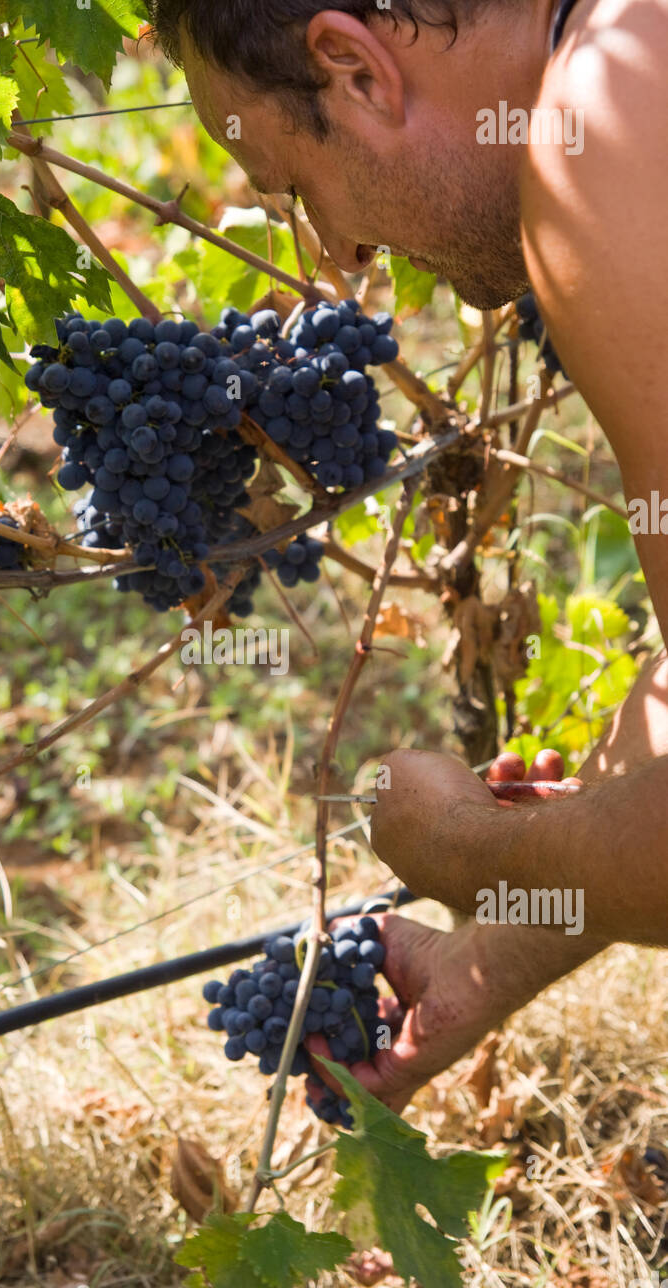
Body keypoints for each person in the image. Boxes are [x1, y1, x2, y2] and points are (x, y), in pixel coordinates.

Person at [145, 0, 668, 1110]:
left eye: (295, 189)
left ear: (355, 69)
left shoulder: (608, 145)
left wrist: (465, 849)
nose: (337, 254)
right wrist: (482, 958)